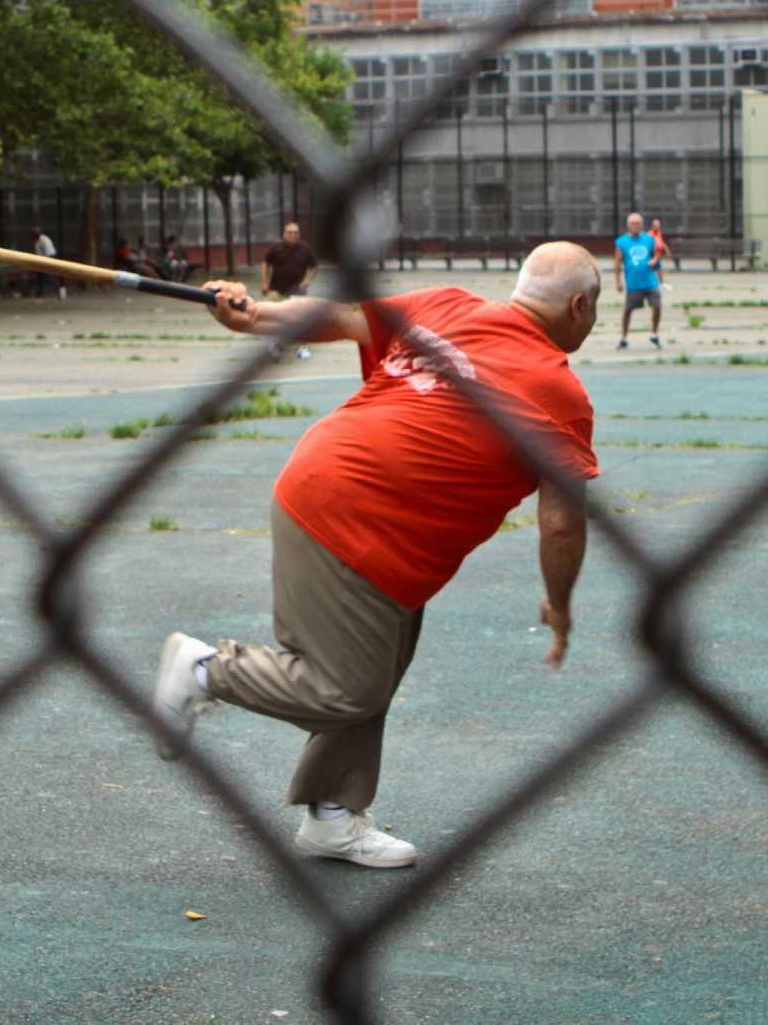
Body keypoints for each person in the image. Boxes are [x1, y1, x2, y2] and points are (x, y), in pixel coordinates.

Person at [151, 243, 603, 869]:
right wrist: (559, 602)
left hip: (356, 506)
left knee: (379, 667)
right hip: (353, 514)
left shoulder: (448, 305)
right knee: (347, 689)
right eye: (595, 308)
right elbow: (560, 525)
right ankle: (202, 670)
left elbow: (334, 317)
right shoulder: (558, 389)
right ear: (579, 306)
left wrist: (256, 316)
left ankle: (333, 814)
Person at [262, 222, 320, 361]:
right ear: (284, 234)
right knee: (270, 316)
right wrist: (264, 282)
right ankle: (274, 345)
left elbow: (314, 267)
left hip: (297, 293)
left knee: (300, 320)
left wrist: (306, 281)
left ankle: (302, 348)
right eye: (290, 232)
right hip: (276, 290)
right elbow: (265, 263)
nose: (293, 235)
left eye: (295, 233)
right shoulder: (276, 248)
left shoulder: (305, 248)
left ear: (299, 234)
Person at [613, 211, 662, 350]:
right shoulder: (622, 242)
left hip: (650, 280)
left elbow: (656, 255)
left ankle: (654, 333)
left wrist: (655, 261)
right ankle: (624, 337)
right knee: (628, 310)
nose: (635, 226)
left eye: (638, 223)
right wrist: (618, 281)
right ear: (628, 225)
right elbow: (617, 263)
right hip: (633, 283)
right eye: (633, 223)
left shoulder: (649, 239)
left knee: (657, 306)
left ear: (642, 225)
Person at [31, 228, 64, 300]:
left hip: (49, 259)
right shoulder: (37, 241)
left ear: (39, 233)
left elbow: (49, 253)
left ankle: (60, 290)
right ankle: (39, 296)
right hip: (41, 260)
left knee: (47, 278)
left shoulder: (44, 240)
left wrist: (46, 263)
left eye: (35, 234)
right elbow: (38, 253)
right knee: (41, 278)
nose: (34, 236)